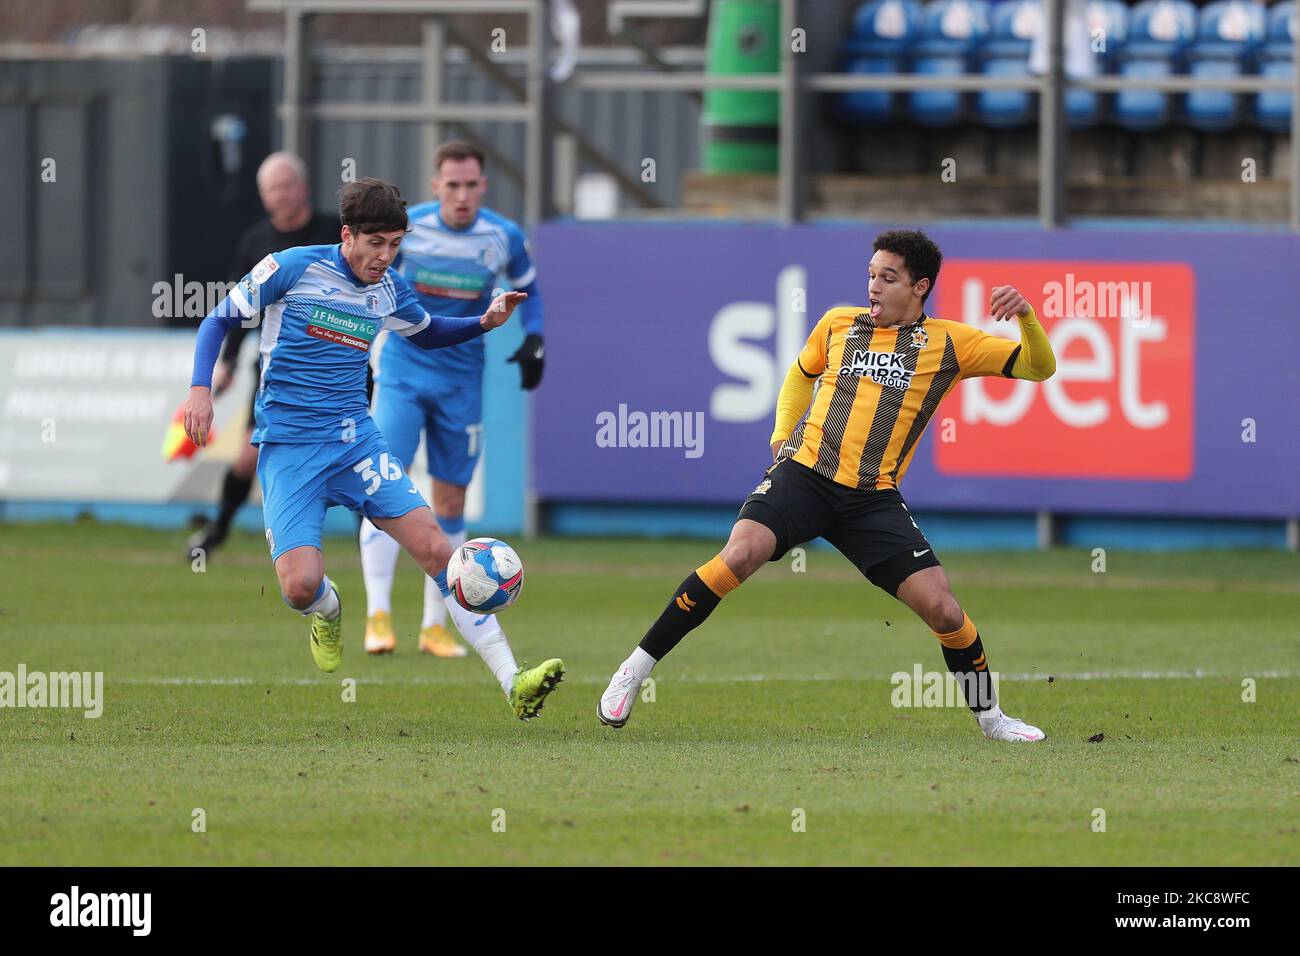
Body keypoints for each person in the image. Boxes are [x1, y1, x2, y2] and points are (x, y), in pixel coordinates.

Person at [596, 229, 1056, 741]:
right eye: (871, 275)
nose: (874, 287)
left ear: (920, 286)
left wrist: (1026, 317)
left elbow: (1040, 367)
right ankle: (631, 673)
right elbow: (799, 375)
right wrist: (781, 433)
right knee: (739, 556)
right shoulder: (839, 324)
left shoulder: (951, 343)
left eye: (889, 277)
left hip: (871, 499)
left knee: (944, 608)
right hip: (806, 476)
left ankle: (991, 719)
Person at [182, 177, 564, 720]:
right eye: (376, 244)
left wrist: (484, 321)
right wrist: (201, 388)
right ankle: (330, 608)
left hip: (356, 443)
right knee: (298, 586)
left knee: (438, 551)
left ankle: (513, 680)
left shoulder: (388, 290)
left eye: (395, 244)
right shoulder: (291, 267)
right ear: (347, 236)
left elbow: (427, 331)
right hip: (290, 448)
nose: (385, 257)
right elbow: (218, 318)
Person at [357, 142, 545, 658]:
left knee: (451, 502)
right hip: (402, 375)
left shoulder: (503, 236)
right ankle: (377, 615)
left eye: (471, 185)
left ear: (483, 187)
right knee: (385, 488)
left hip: (463, 382)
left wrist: (535, 339)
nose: (461, 196)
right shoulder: (408, 230)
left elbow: (533, 292)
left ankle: (435, 625)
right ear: (435, 186)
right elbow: (368, 278)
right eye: (451, 185)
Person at [189, 152, 343, 558]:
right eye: (271, 189)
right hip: (278, 373)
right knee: (246, 458)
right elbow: (236, 313)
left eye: (285, 185)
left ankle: (378, 547)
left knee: (354, 458)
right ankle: (217, 531)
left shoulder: (332, 234)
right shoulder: (257, 243)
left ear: (304, 187)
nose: (280, 196)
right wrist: (227, 363)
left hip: (340, 367)